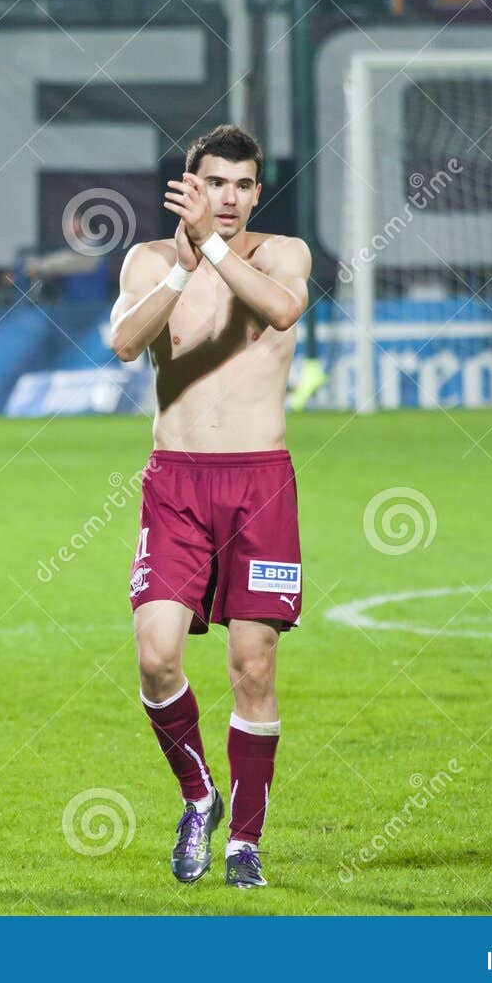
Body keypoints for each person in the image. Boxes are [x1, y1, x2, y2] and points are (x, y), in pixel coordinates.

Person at [107, 125, 310, 888]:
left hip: (261, 487)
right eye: (215, 182)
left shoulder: (282, 254)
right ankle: (200, 796)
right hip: (177, 486)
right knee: (156, 654)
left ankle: (244, 843)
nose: (229, 196)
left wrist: (214, 249)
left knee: (252, 664)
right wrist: (181, 267)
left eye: (243, 184)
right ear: (190, 185)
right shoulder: (149, 261)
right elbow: (125, 342)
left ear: (257, 193)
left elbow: (281, 311)